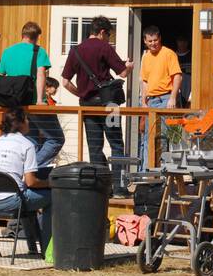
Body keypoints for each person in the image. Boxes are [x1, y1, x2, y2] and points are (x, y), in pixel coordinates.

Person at [61, 16, 132, 193]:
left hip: (87, 106)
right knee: (116, 144)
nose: (109, 38)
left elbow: (64, 82)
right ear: (102, 32)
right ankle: (120, 188)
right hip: (109, 106)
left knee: (94, 147)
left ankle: (102, 187)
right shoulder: (104, 47)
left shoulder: (75, 50)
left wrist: (82, 94)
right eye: (108, 34)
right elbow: (122, 73)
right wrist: (129, 66)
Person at [0, 107, 53, 250]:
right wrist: (50, 183)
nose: (28, 122)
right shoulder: (27, 145)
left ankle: (32, 248)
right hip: (12, 201)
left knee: (26, 198)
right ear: (20, 123)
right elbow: (31, 182)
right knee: (52, 196)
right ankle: (47, 248)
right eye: (26, 119)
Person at [0, 22, 61, 168]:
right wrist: (39, 99)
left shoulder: (8, 51)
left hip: (15, 105)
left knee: (31, 141)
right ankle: (30, 169)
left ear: (22, 34)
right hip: (33, 103)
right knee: (56, 139)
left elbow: (0, 76)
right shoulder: (39, 51)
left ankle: (29, 177)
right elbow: (40, 74)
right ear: (37, 37)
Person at [137, 26, 183, 168]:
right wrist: (143, 99)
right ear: (145, 41)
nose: (153, 43)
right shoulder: (146, 57)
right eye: (150, 41)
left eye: (155, 40)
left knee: (161, 137)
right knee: (147, 137)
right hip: (151, 100)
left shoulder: (168, 54)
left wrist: (172, 98)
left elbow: (177, 76)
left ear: (160, 38)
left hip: (165, 98)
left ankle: (159, 175)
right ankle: (147, 173)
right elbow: (144, 80)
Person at [174, 35, 193, 108]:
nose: (182, 43)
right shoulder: (172, 55)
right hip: (176, 89)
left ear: (188, 42)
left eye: (184, 41)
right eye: (180, 41)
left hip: (190, 88)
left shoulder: (193, 55)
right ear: (177, 42)